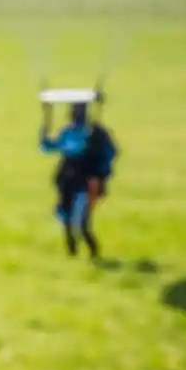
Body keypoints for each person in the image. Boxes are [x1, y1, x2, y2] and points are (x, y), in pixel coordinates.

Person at [39, 101, 117, 259]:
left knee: (81, 220)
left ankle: (93, 252)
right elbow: (50, 147)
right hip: (69, 179)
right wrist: (44, 136)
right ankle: (72, 250)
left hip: (85, 181)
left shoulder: (94, 134)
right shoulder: (70, 131)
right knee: (66, 214)